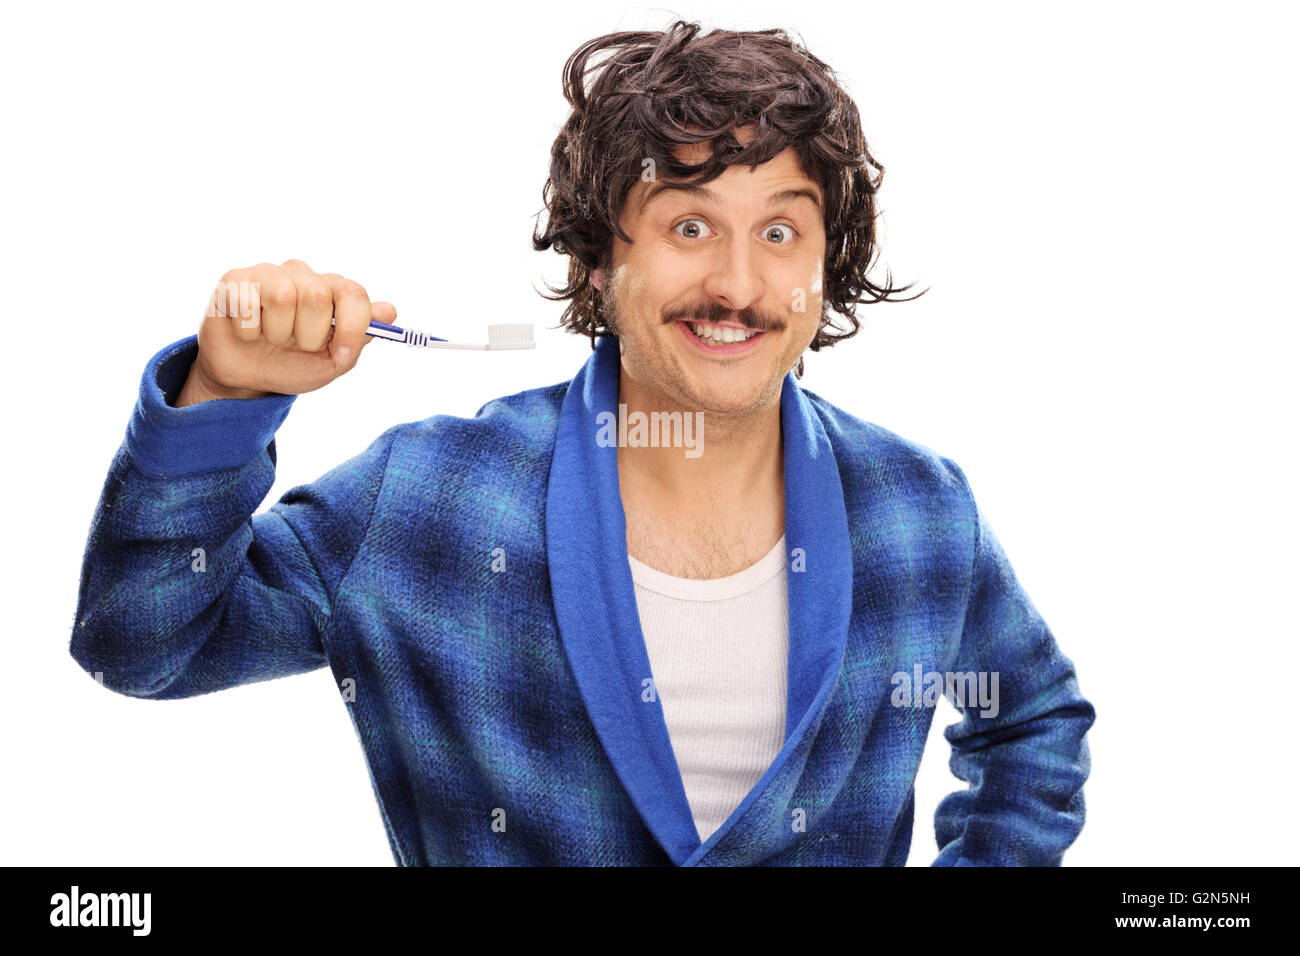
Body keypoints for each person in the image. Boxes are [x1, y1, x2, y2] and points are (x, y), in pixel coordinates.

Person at [71, 20, 1094, 866]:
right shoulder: (428, 496)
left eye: (780, 232)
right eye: (689, 227)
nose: (739, 284)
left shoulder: (917, 509)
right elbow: (142, 641)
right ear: (600, 257)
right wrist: (224, 398)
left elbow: (1031, 718)